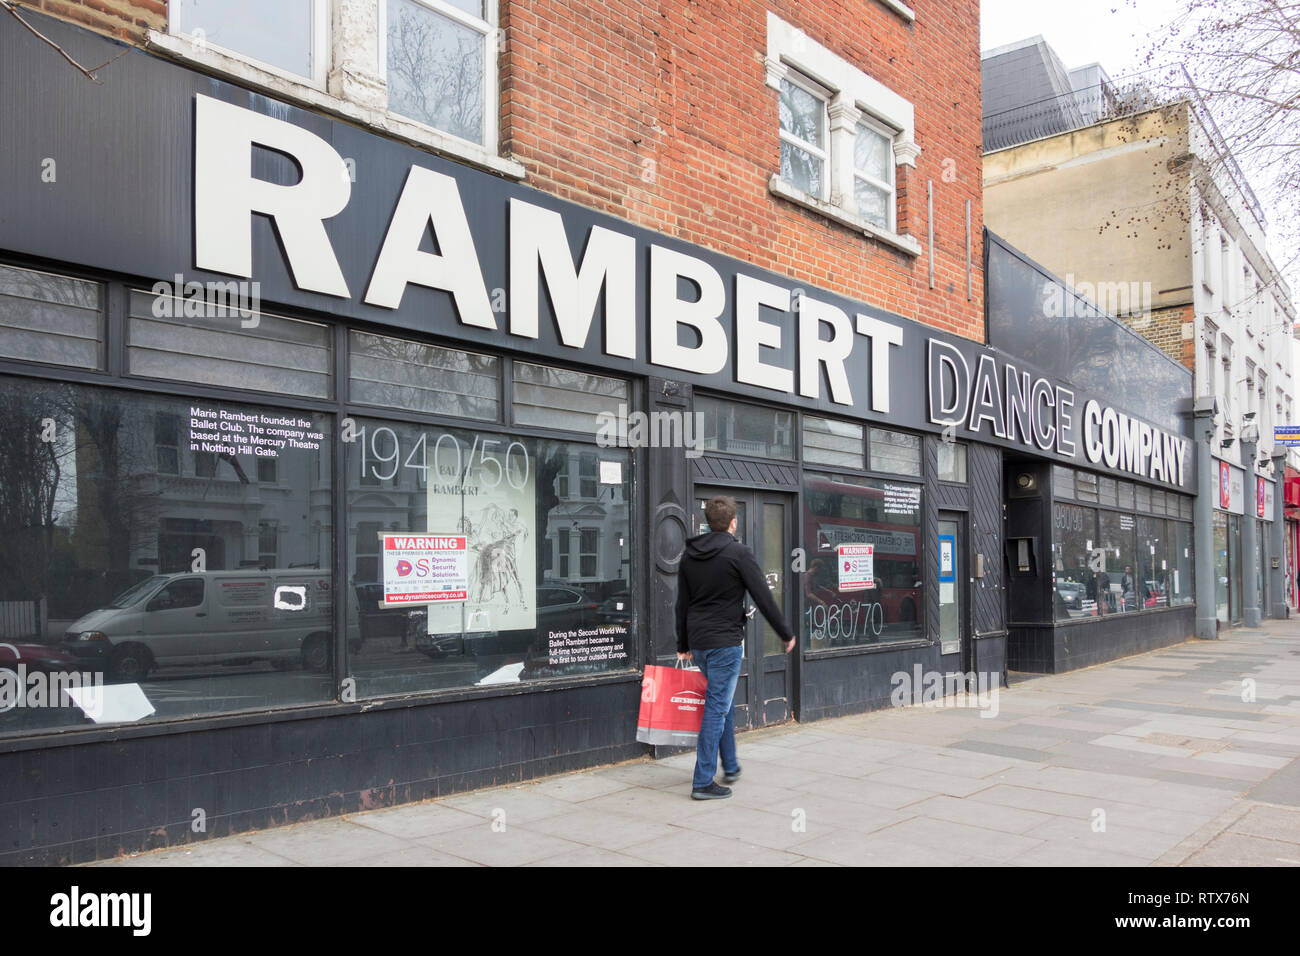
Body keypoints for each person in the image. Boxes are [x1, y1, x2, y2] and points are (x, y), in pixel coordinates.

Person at [675, 495, 795, 800]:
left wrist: (683, 643)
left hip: (700, 642)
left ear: (706, 521)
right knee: (716, 707)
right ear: (733, 522)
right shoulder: (738, 553)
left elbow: (682, 603)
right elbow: (763, 597)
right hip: (725, 642)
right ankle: (702, 781)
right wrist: (785, 632)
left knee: (722, 699)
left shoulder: (690, 555)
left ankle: (730, 765)